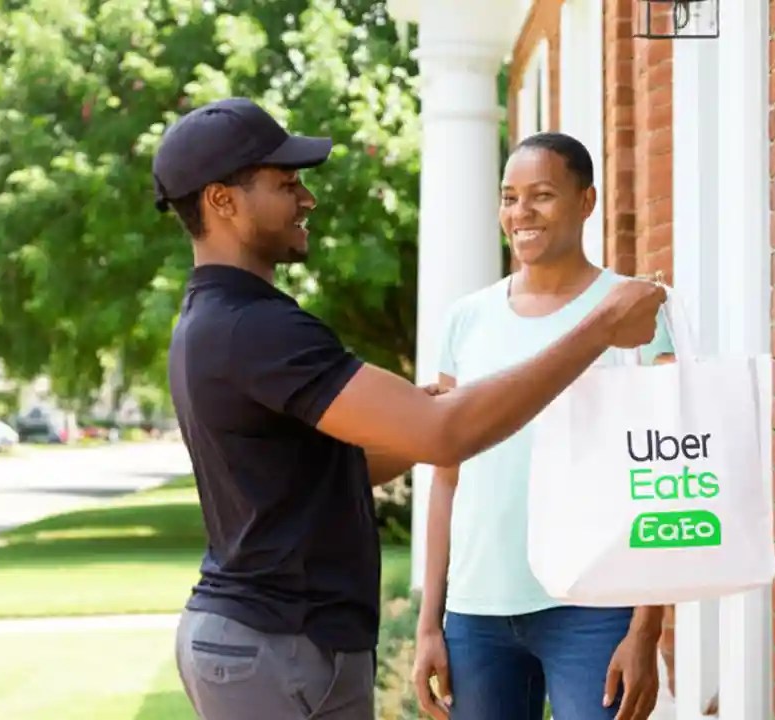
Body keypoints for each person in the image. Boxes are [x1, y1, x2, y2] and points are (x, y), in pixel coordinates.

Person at [151, 98, 667, 720]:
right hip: (276, 643)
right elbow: (445, 438)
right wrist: (599, 330)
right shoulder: (254, 330)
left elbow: (348, 463)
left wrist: (418, 422)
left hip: (283, 640)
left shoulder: (221, 322)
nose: (307, 199)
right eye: (286, 184)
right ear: (222, 201)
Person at [411, 131, 673, 720]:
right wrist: (432, 620)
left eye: (542, 195)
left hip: (595, 606)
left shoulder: (632, 310)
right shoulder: (467, 319)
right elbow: (446, 476)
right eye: (509, 197)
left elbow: (663, 469)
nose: (520, 213)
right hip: (477, 614)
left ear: (587, 201)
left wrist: (646, 627)